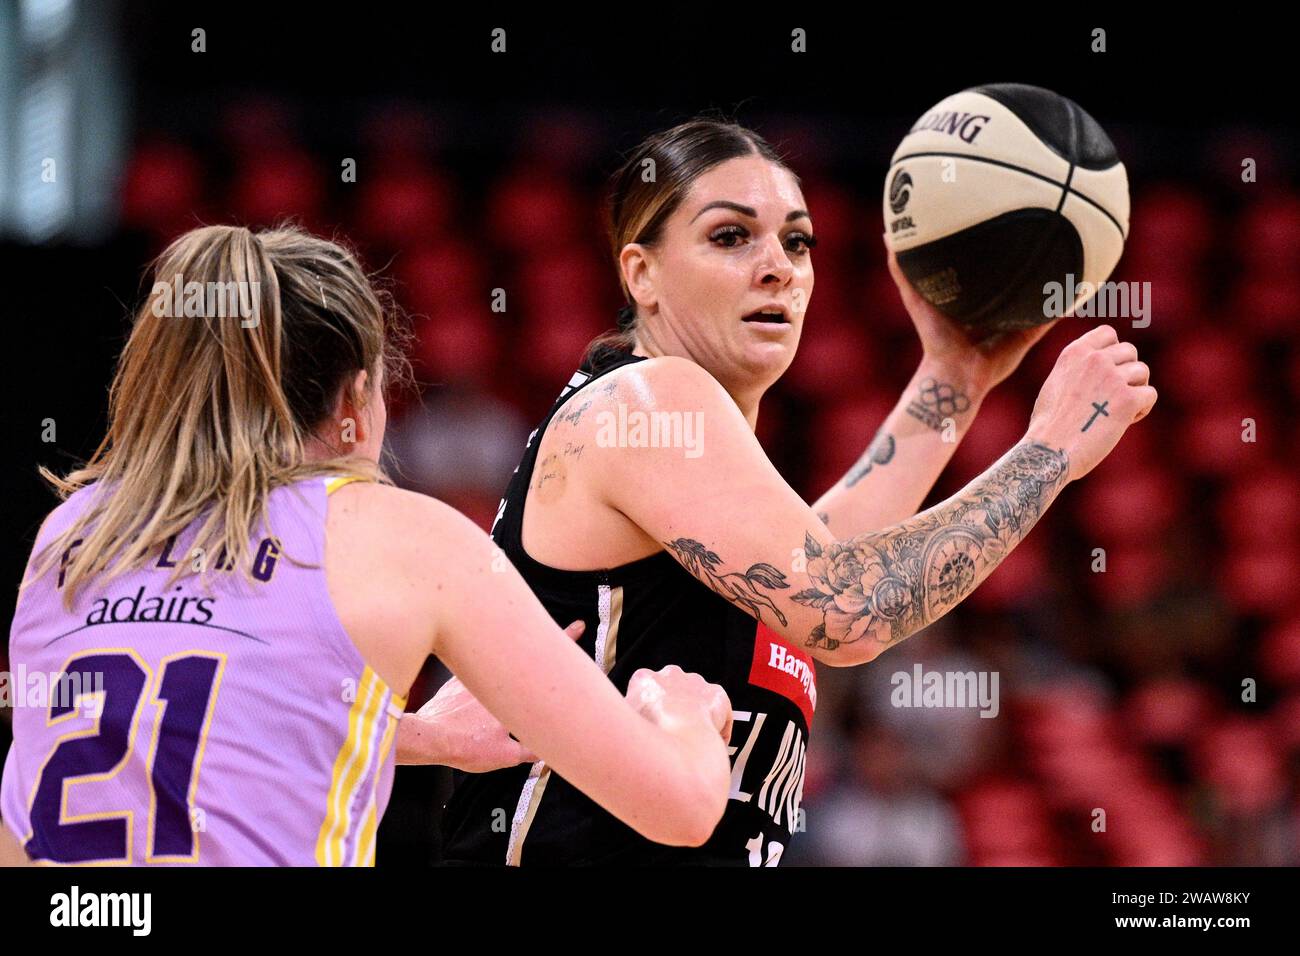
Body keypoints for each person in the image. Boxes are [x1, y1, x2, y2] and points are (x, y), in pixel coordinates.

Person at [433, 117, 1157, 866]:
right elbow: (847, 609)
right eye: (730, 237)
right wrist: (1049, 453)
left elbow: (826, 559)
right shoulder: (649, 405)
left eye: (798, 241)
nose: (778, 265)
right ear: (641, 274)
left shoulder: (681, 451)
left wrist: (956, 376)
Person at [0, 224, 734, 866]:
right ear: (356, 399)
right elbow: (682, 809)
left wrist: (405, 735)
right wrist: (684, 714)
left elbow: (159, 735)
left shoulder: (75, 533)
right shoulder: (395, 534)